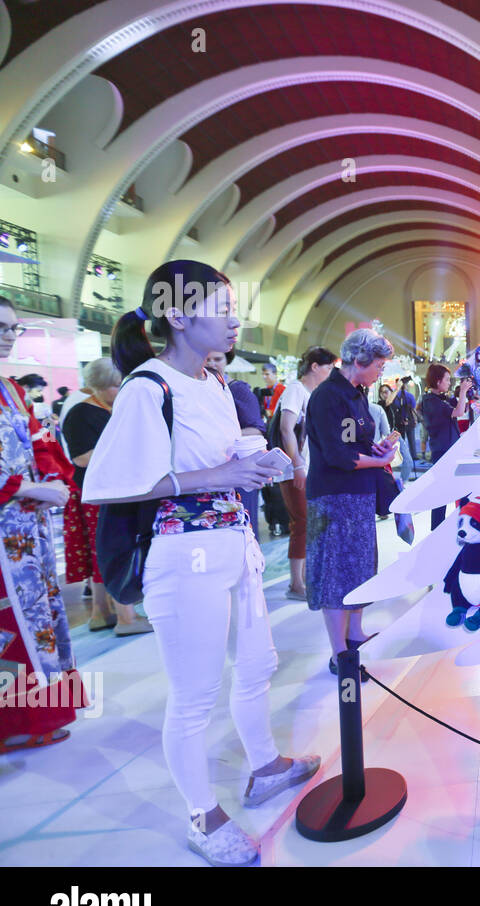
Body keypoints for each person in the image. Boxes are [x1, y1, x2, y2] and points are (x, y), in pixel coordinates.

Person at [82, 261, 320, 866]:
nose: (235, 320)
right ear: (180, 316)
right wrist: (221, 474)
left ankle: (264, 764)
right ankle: (201, 814)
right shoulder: (147, 386)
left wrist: (256, 461)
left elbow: (227, 453)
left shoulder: (211, 384)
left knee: (256, 665)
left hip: (233, 543)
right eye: (223, 307)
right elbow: (111, 482)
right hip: (181, 555)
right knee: (194, 694)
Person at [0, 297, 86, 755]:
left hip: (25, 532)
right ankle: (13, 723)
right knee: (9, 625)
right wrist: (29, 488)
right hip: (6, 529)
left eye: (13, 328)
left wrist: (53, 476)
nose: (9, 335)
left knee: (39, 620)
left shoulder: (11, 390)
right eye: (1, 327)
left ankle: (39, 717)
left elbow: (41, 440)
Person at [303, 327, 398, 678]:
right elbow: (338, 455)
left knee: (359, 567)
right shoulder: (329, 396)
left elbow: (354, 443)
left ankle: (356, 633)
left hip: (357, 494)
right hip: (333, 496)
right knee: (336, 575)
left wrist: (376, 450)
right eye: (379, 365)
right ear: (359, 360)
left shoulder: (358, 394)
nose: (381, 372)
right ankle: (339, 654)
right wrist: (379, 461)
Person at [61, 357, 151, 635]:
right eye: (115, 385)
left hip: (109, 490)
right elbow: (81, 458)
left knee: (101, 551)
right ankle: (125, 617)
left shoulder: (109, 409)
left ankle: (102, 613)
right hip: (98, 493)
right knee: (113, 549)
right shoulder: (81, 413)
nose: (120, 389)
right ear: (98, 386)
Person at [275, 346, 336, 600]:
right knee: (302, 523)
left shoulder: (314, 394)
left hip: (309, 469)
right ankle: (296, 584)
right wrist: (298, 464)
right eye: (328, 367)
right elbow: (286, 428)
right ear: (314, 367)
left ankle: (306, 579)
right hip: (294, 469)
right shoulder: (295, 390)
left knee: (310, 524)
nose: (331, 372)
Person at [205, 350, 267, 542]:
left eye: (217, 359)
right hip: (215, 470)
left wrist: (222, 436)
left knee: (243, 529)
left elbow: (257, 428)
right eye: (208, 359)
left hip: (240, 467)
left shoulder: (237, 389)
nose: (212, 363)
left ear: (226, 361)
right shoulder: (204, 389)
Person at [420, 363, 471, 530]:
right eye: (447, 379)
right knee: (441, 496)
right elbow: (458, 412)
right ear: (437, 380)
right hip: (443, 452)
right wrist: (462, 391)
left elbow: (460, 407)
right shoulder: (431, 401)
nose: (449, 383)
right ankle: (437, 530)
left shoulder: (440, 399)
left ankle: (465, 524)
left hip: (449, 450)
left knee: (460, 491)